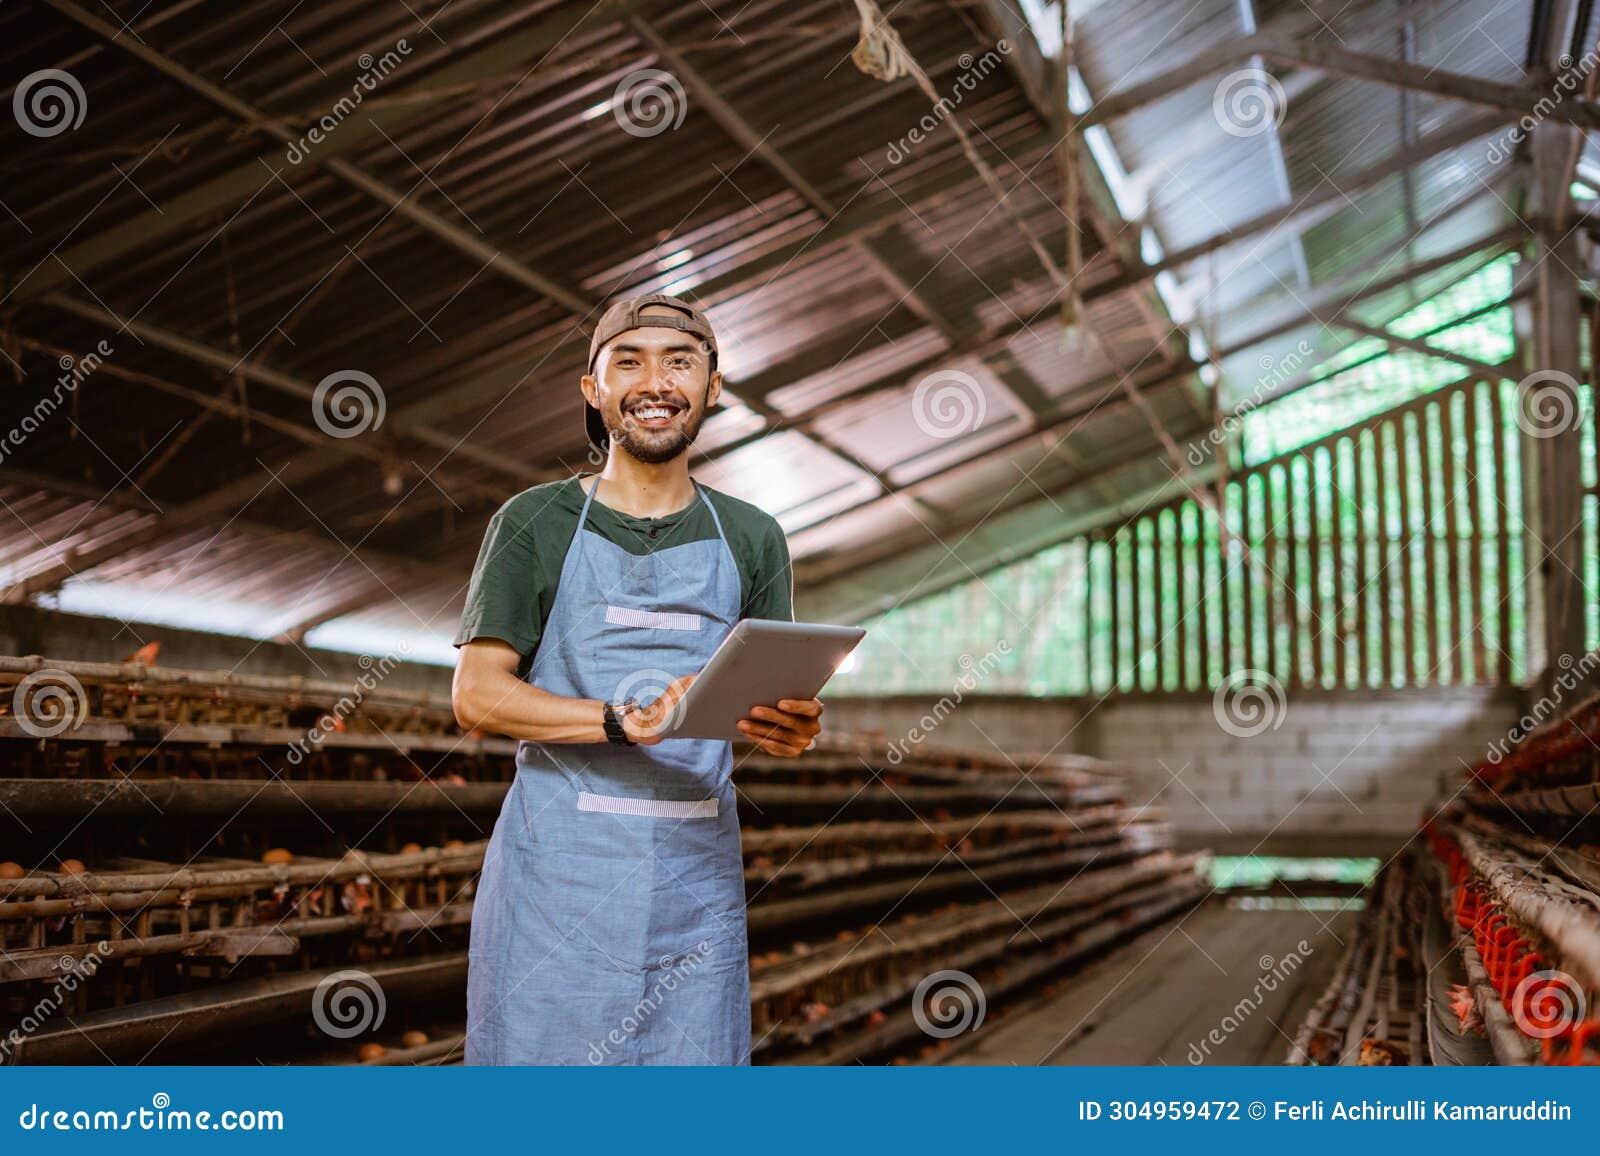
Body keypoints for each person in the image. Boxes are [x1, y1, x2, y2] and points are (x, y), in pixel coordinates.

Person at [452, 293, 825, 1065]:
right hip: (558, 879)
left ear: (713, 386)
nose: (656, 381)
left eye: (680, 362)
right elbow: (477, 694)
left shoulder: (754, 537)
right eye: (630, 362)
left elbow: (764, 703)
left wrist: (788, 726)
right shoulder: (536, 521)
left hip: (694, 883)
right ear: (593, 391)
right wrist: (622, 722)